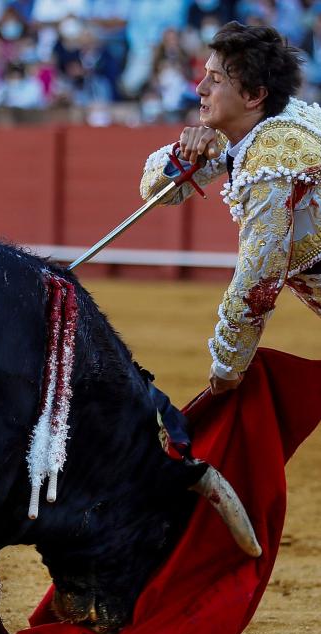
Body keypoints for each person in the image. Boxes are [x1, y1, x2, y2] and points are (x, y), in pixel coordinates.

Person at [139, 21, 321, 395]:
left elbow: (258, 278)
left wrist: (227, 363)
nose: (200, 88)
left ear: (254, 95)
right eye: (204, 75)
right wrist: (184, 153)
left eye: (216, 80)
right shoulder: (273, 120)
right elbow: (156, 192)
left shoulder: (272, 158)